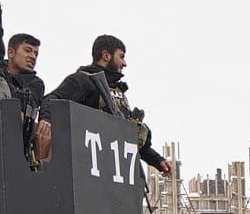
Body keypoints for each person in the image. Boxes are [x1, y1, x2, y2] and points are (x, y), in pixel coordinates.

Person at [43, 34, 177, 179]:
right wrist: (46, 120)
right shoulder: (84, 80)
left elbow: (127, 135)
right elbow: (52, 99)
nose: (124, 63)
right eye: (121, 56)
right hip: (92, 170)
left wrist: (157, 160)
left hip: (118, 174)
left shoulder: (117, 90)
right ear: (106, 55)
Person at [6, 32, 45, 108]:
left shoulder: (36, 83)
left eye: (36, 54)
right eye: (28, 51)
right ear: (11, 52)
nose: (33, 57)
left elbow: (27, 104)